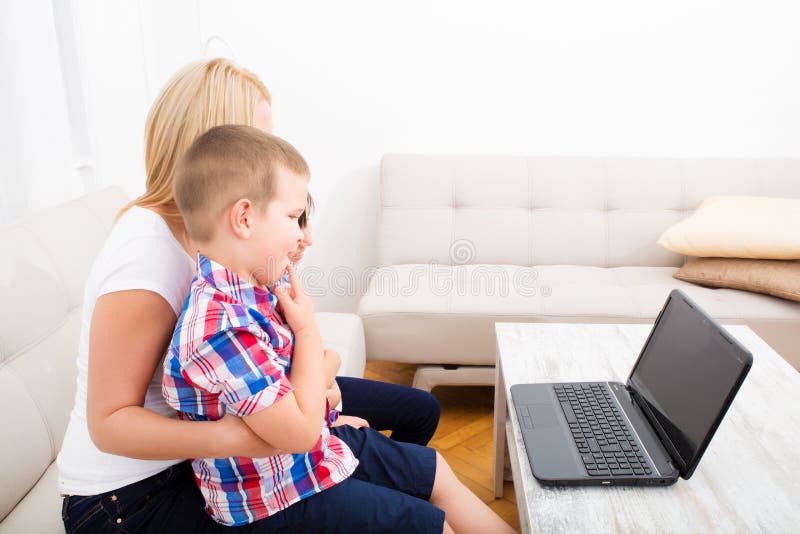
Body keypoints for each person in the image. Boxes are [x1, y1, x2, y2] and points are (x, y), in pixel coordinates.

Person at [55, 58, 437, 533]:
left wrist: (318, 400)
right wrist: (243, 437)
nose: (270, 152)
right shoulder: (145, 253)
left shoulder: (214, 239)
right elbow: (109, 423)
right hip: (128, 499)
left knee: (414, 415)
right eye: (262, 137)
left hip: (217, 429)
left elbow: (263, 347)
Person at [163, 124, 513, 533]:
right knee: (430, 525)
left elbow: (303, 390)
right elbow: (298, 428)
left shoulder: (257, 285)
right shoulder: (220, 328)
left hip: (309, 456)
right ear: (244, 218)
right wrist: (309, 331)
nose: (302, 234)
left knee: (434, 472)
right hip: (280, 500)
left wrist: (326, 409)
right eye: (294, 218)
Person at [292, 196, 441, 445]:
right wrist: (329, 411)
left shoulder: (284, 278)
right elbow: (292, 401)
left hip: (317, 388)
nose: (309, 239)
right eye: (296, 221)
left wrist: (328, 374)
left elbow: (312, 359)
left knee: (424, 409)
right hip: (310, 402)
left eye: (306, 222)